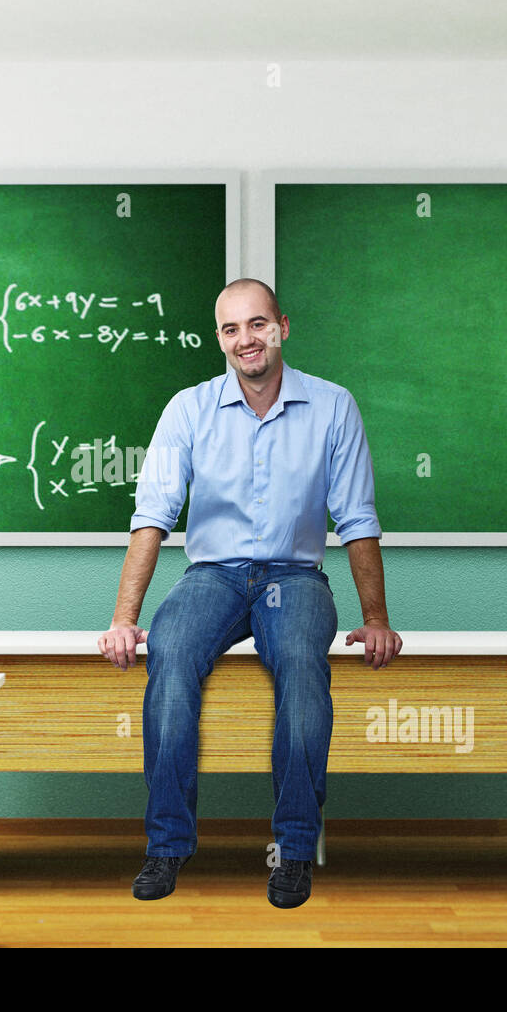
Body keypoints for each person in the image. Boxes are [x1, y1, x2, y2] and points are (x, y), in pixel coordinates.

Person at [97, 278, 401, 909]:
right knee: (172, 652)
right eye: (232, 329)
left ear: (282, 326)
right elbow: (152, 514)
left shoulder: (333, 406)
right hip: (213, 575)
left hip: (294, 578)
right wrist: (124, 619)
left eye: (257, 324)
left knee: (298, 664)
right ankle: (167, 846)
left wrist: (377, 618)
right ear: (220, 339)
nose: (246, 340)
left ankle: (293, 852)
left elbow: (357, 519)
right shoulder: (188, 408)